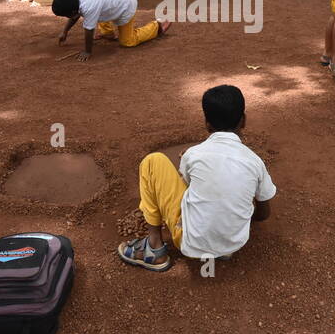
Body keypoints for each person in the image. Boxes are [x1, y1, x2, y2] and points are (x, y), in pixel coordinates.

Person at [118, 84, 276, 272]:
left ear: (207, 123)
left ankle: (154, 248)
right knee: (231, 187)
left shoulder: (193, 154)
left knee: (153, 161)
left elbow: (189, 186)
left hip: (190, 241)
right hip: (234, 243)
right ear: (243, 121)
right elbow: (264, 214)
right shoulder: (254, 161)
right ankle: (221, 247)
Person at [52, 0, 169, 62]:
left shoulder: (89, 7)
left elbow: (89, 30)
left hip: (126, 2)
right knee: (99, 13)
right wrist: (65, 32)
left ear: (72, 11)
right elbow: (74, 16)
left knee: (128, 42)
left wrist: (87, 51)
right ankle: (108, 33)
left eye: (67, 15)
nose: (69, 17)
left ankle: (157, 26)